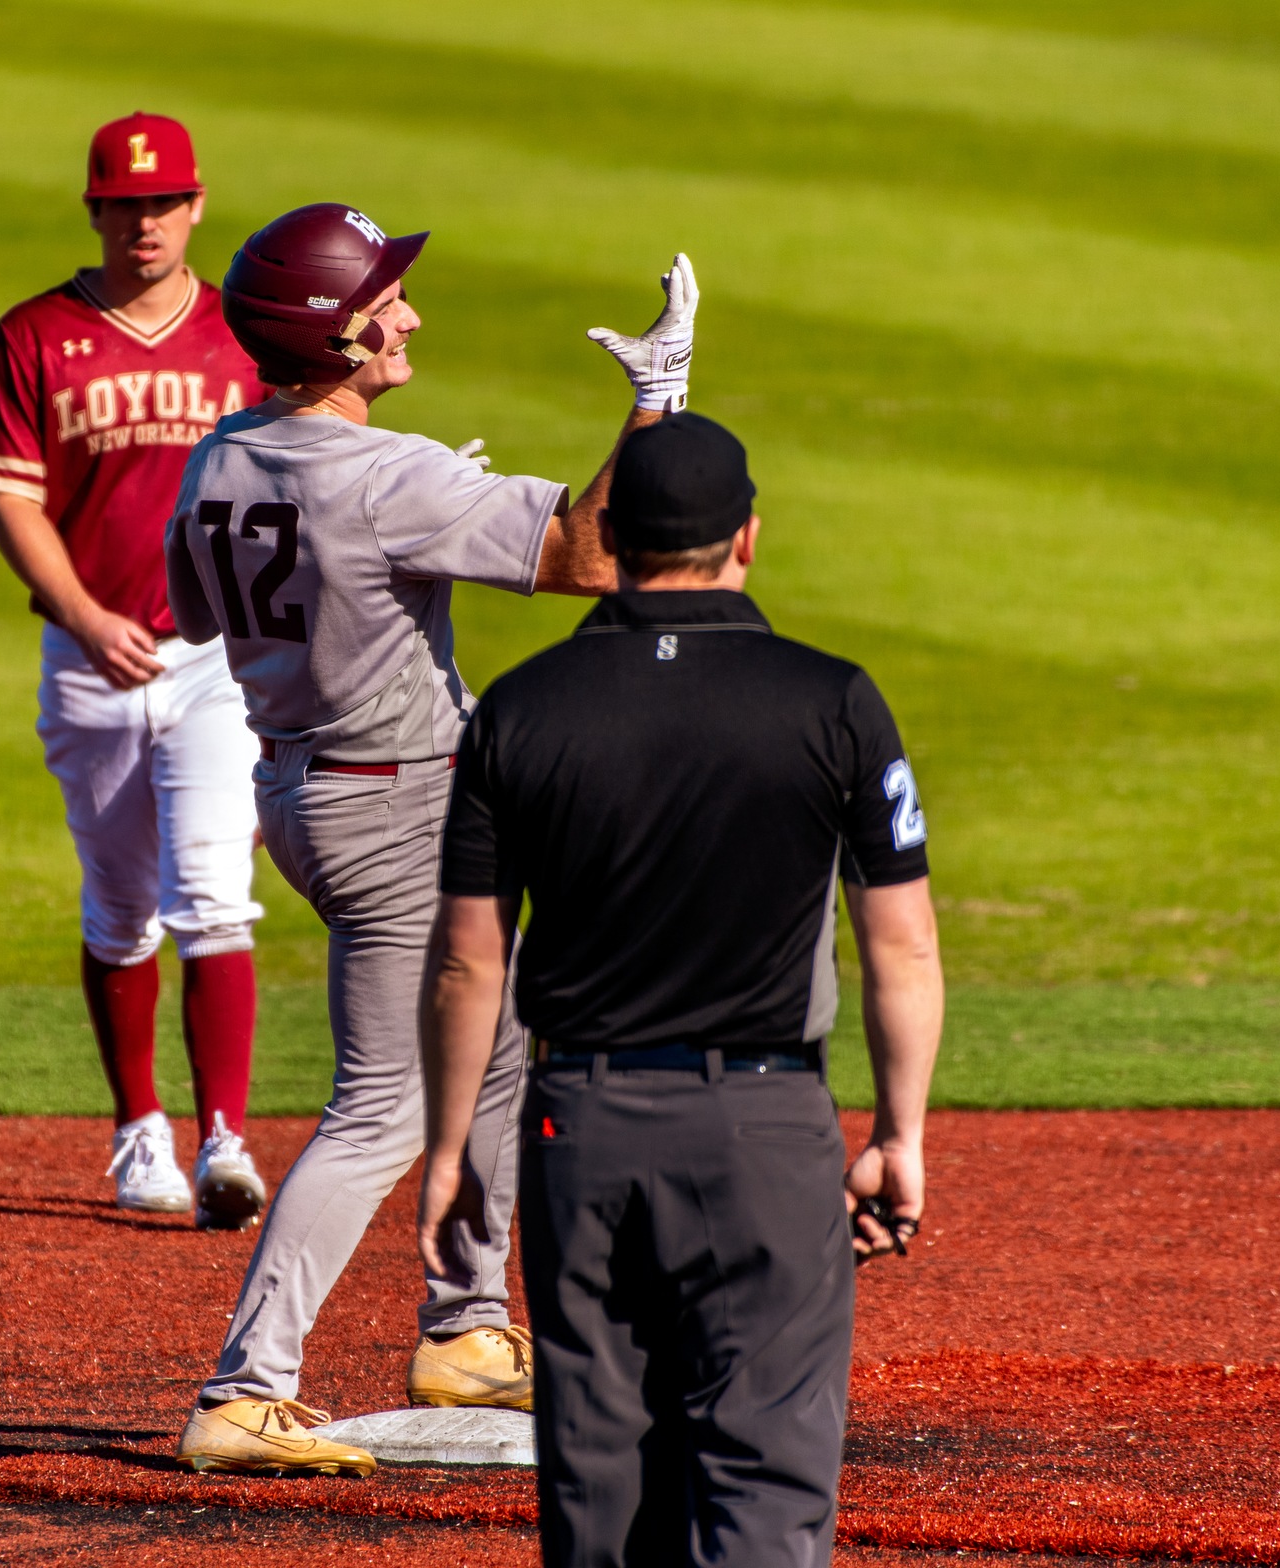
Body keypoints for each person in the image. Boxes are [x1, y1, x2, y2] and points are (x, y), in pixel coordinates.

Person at [161, 203, 703, 1475]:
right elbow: (591, 553)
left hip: (305, 787)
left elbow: (195, 604)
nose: (406, 313)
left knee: (502, 1048)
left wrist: (382, 544)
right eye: (385, 300)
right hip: (394, 803)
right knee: (385, 1106)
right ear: (336, 333)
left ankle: (465, 1324)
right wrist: (656, 402)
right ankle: (244, 1386)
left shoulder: (221, 456)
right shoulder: (385, 473)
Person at [418, 412, 943, 1565]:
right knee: (761, 1468)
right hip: (764, 1126)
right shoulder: (834, 700)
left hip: (578, 1125)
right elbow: (899, 943)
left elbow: (469, 955)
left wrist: (452, 1145)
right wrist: (899, 1132)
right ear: (747, 537)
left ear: (609, 535)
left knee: (597, 1479)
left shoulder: (522, 706)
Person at [0, 113, 272, 1229]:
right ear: (95, 209)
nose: (145, 221)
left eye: (164, 202)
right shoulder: (38, 333)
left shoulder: (243, 337)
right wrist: (85, 616)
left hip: (214, 661)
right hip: (89, 662)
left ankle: (226, 1135)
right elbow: (9, 494)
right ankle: (142, 1125)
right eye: (125, 203)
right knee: (121, 908)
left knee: (215, 895)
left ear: (196, 208)